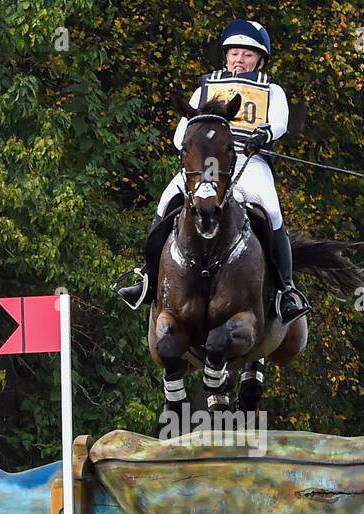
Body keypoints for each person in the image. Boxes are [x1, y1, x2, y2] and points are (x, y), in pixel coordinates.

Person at [112, 19, 311, 324]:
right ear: (226, 56)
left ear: (259, 59)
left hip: (248, 160)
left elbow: (281, 122)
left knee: (271, 209)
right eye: (234, 53)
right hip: (204, 167)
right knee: (166, 202)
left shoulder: (272, 89)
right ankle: (147, 277)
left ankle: (286, 290)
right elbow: (182, 132)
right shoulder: (206, 86)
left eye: (246, 54)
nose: (238, 60)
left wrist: (265, 135)